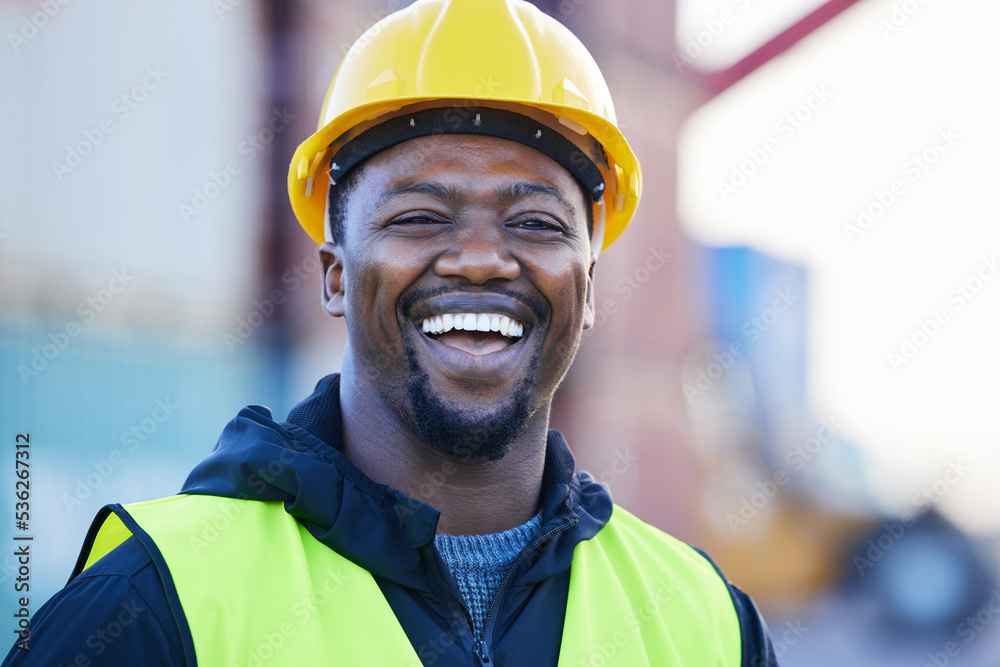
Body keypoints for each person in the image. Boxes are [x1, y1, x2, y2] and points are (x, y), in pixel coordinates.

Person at [5, 0, 777, 664]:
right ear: (336, 274)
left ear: (589, 285)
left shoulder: (704, 624)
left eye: (535, 221)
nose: (481, 259)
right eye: (419, 216)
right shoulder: (154, 605)